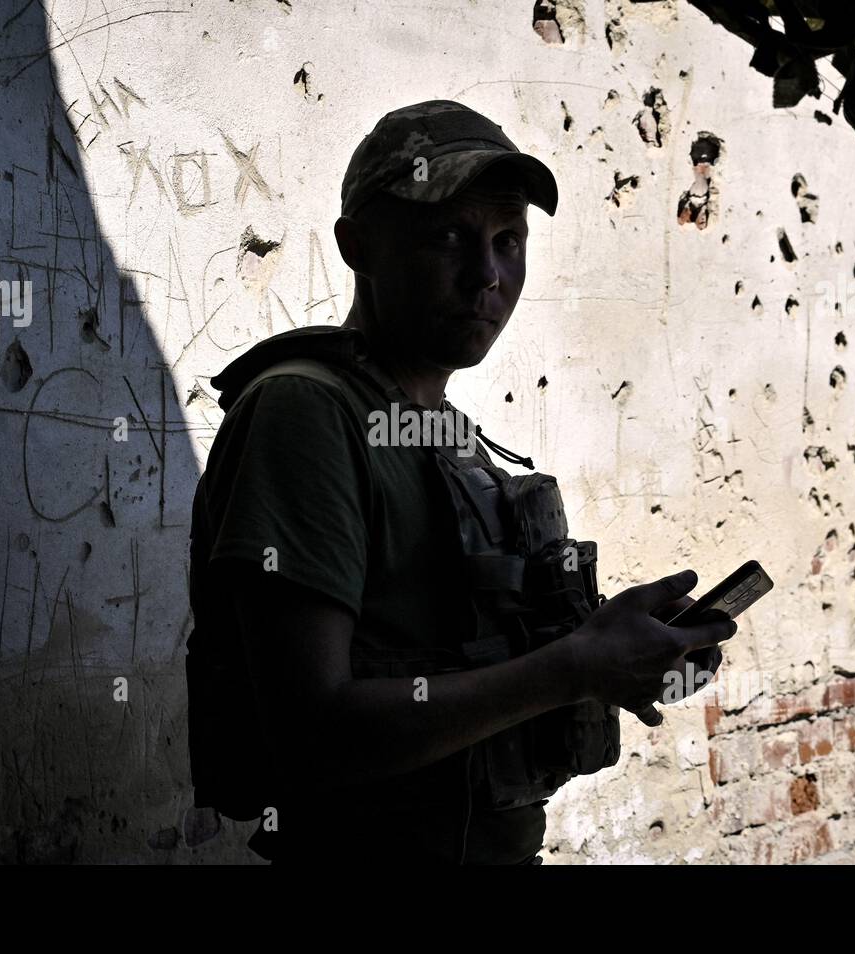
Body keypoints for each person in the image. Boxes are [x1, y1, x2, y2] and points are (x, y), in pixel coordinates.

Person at [186, 100, 735, 864]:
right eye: (449, 236)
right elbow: (313, 730)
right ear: (359, 248)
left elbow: (470, 668)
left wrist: (626, 660)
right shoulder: (307, 413)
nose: (487, 276)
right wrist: (573, 665)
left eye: (508, 242)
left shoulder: (444, 433)